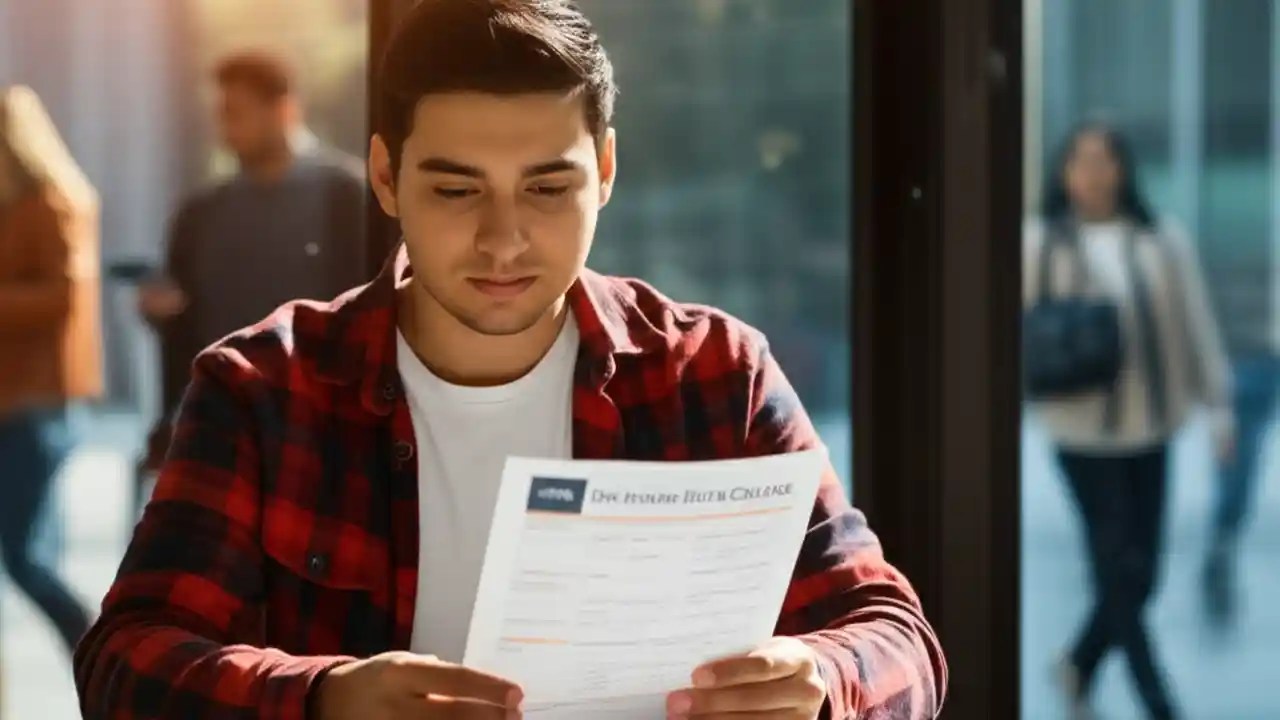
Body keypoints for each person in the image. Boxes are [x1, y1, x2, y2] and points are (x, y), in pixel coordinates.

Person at [75, 2, 947, 718]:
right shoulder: (264, 388)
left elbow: (895, 634)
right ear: (386, 177)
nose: (503, 241)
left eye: (547, 187)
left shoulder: (713, 372)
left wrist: (821, 680)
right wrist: (325, 699)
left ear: (604, 170)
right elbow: (124, 662)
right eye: (456, 191)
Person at [1024, 123, 1234, 720]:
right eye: (1080, 160)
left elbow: (1196, 323)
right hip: (1079, 430)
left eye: (1105, 160)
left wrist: (1217, 406)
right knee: (1117, 566)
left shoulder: (1160, 239)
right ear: (1063, 171)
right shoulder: (1040, 240)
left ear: (1124, 170)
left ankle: (1079, 665)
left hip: (1150, 427)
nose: (1092, 173)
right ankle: (1158, 702)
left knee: (1144, 576)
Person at [136, 51, 367, 476]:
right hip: (224, 426)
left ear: (285, 110)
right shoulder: (201, 212)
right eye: (220, 115)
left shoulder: (348, 198)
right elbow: (184, 322)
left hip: (321, 426)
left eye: (235, 113)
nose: (226, 129)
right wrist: (160, 310)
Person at [0, 85, 101, 659]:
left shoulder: (48, 203)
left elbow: (60, 298)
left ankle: (100, 654)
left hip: (34, 404)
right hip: (16, 401)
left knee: (26, 558)